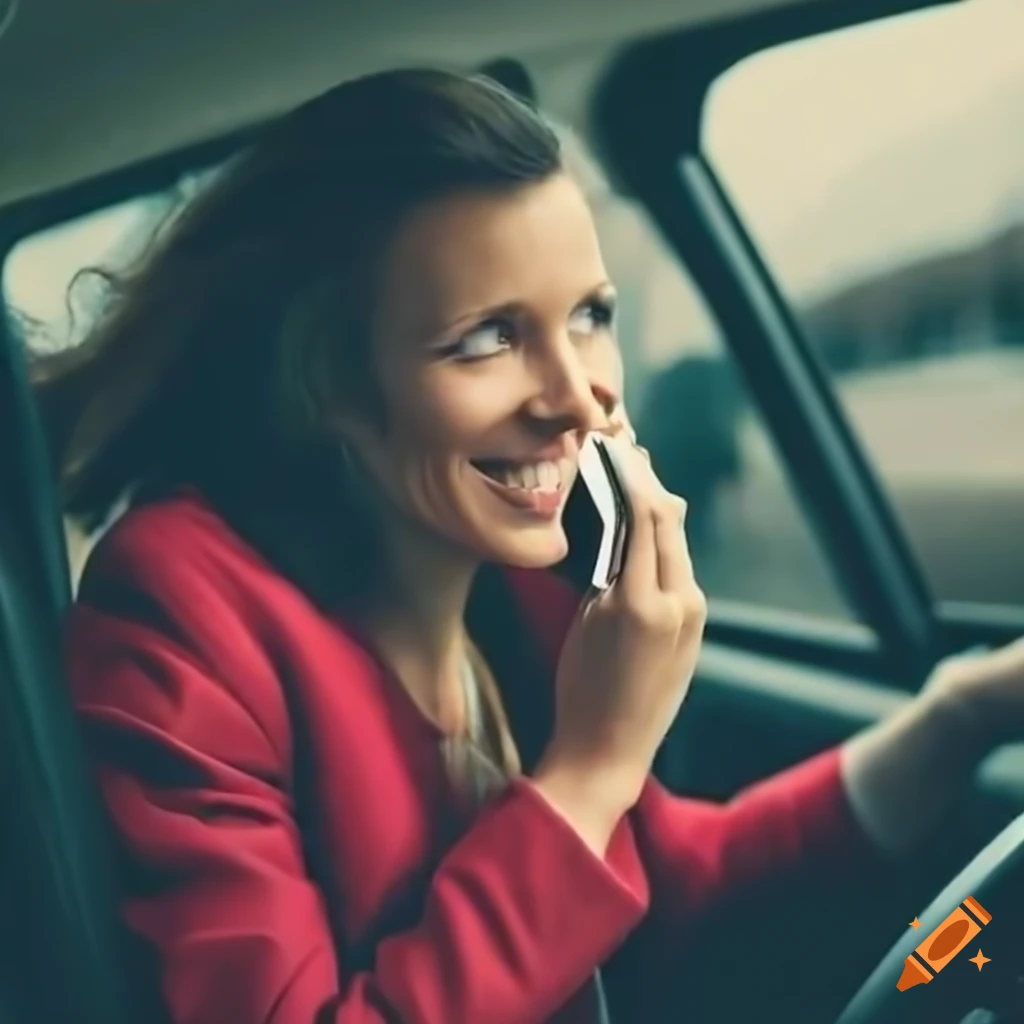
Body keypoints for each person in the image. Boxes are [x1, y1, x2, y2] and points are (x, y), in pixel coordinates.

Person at [32, 68, 1024, 1024]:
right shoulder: (179, 610)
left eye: (589, 315)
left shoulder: (526, 589)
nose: (576, 394)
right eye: (487, 337)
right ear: (328, 379)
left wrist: (960, 714)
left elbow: (676, 892)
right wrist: (591, 765)